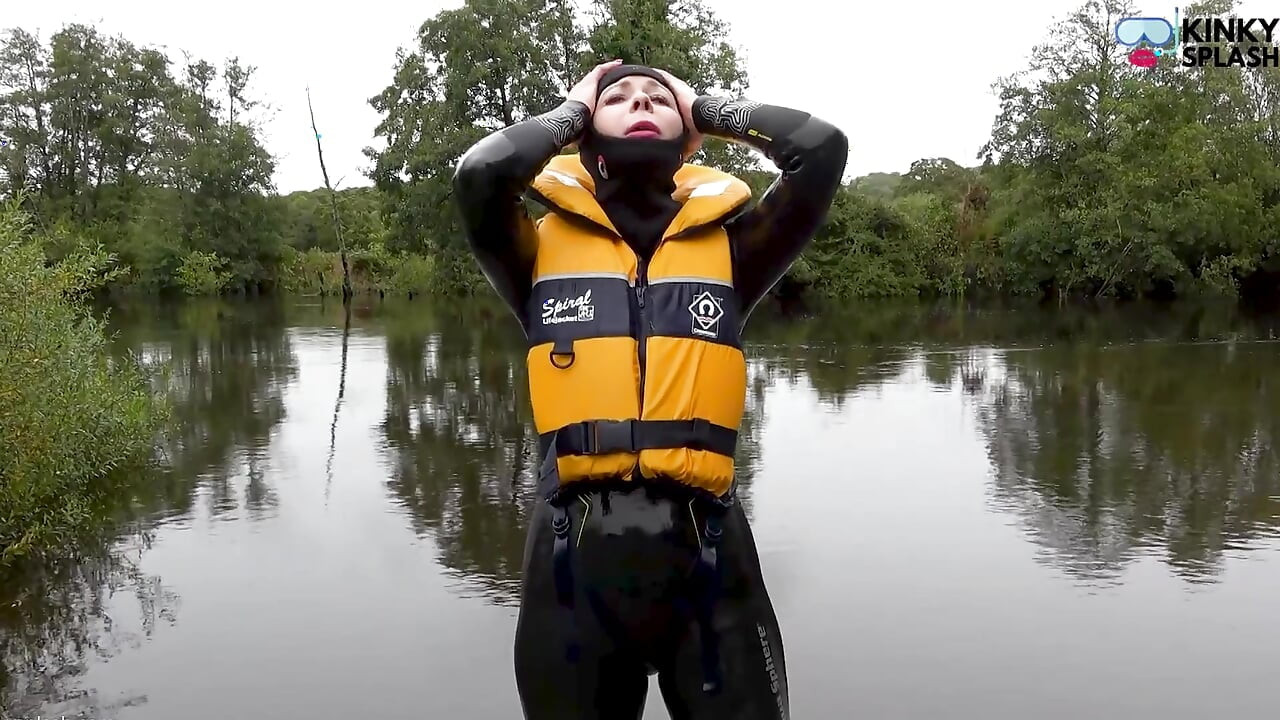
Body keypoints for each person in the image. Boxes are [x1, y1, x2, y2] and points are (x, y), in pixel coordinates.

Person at [453, 59, 847, 720]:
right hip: (572, 566)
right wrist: (570, 112)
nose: (640, 100)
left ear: (686, 135)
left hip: (711, 556)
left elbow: (821, 149)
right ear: (589, 137)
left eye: (658, 97)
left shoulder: (736, 249)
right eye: (619, 97)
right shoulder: (534, 252)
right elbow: (479, 175)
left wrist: (708, 109)